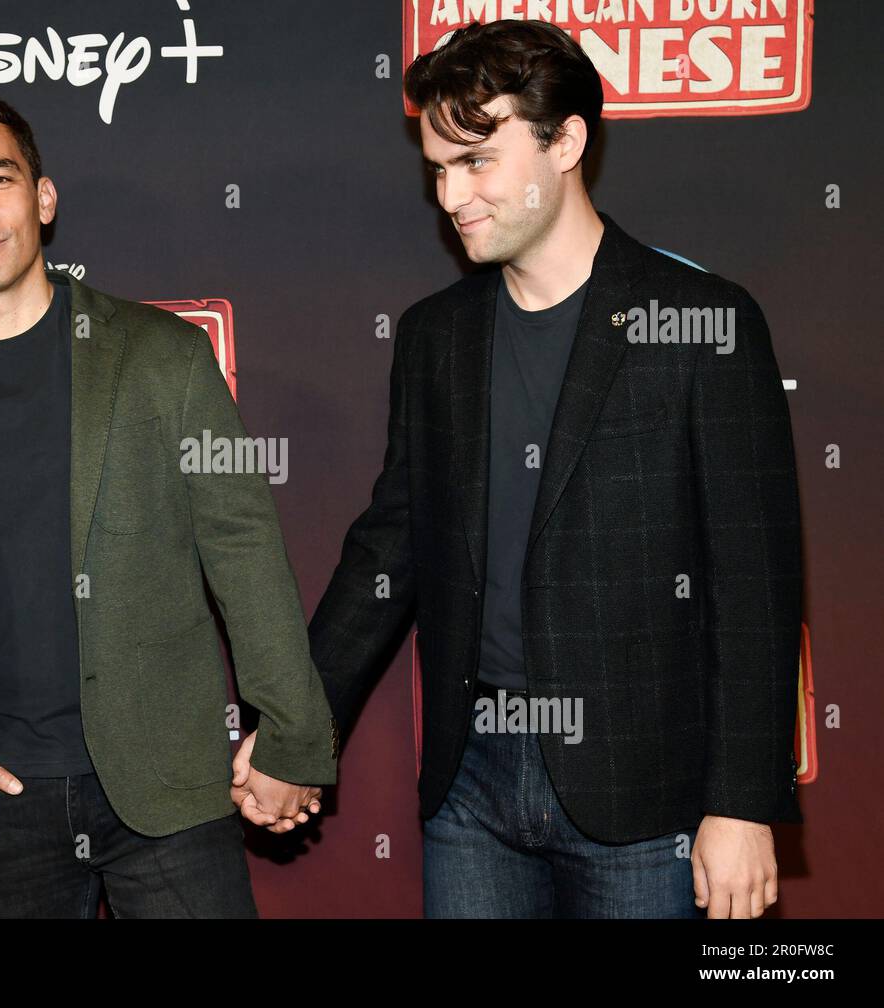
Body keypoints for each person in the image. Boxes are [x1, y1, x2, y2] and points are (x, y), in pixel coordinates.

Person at [303, 20, 803, 918]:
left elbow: (756, 587)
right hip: (472, 782)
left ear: (566, 140)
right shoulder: (435, 335)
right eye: (439, 169)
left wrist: (741, 804)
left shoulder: (701, 323)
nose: (452, 195)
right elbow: (391, 548)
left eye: (478, 161)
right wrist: (300, 727)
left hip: (646, 794)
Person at [0, 86, 336, 918]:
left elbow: (245, 553)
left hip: (171, 790)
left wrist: (293, 736)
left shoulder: (166, 358)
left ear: (43, 198)